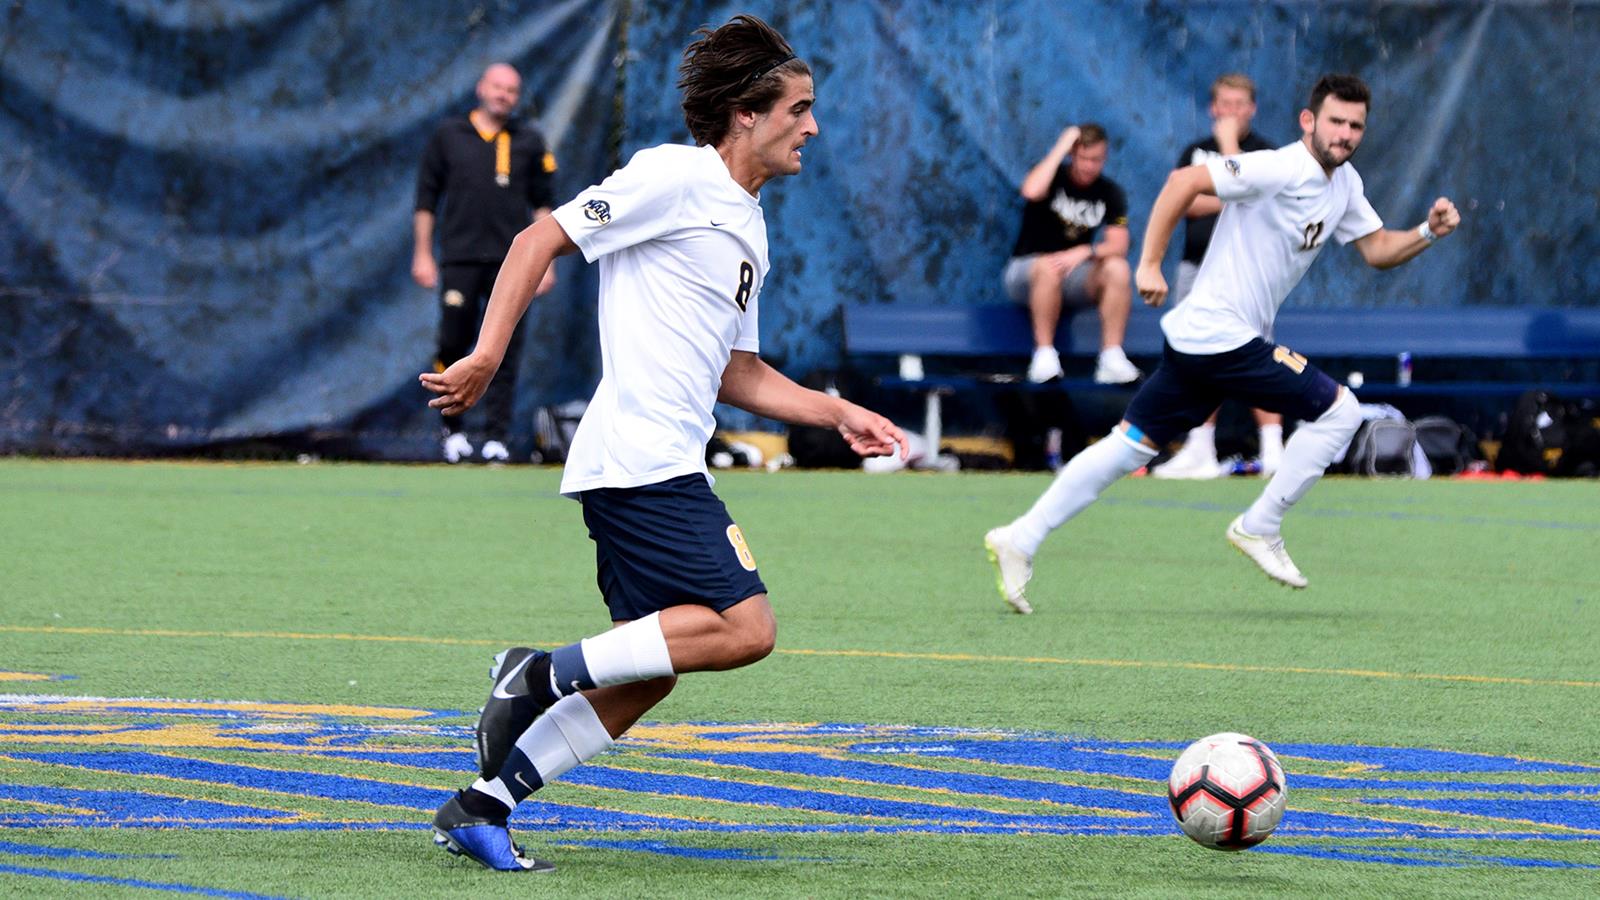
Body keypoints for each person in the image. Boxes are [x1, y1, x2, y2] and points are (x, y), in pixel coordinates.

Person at [419, 15, 907, 871]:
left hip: (656, 457)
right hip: (643, 458)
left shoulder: (749, 223)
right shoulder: (674, 176)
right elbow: (540, 238)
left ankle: (482, 806)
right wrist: (488, 354)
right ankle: (533, 676)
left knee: (651, 668)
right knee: (746, 628)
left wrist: (836, 412)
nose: (814, 127)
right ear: (745, 114)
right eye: (799, 108)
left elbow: (739, 373)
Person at [983, 74, 1460, 614]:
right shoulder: (1281, 166)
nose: (1346, 133)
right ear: (1308, 120)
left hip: (1204, 341)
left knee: (1128, 447)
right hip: (1220, 335)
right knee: (1341, 411)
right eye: (1335, 120)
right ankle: (1261, 525)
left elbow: (1376, 249)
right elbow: (1183, 183)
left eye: (1356, 125)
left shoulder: (1344, 184)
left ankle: (1019, 538)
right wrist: (1149, 264)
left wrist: (1426, 232)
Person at [413, 62, 558, 464]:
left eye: (511, 90)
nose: (503, 95)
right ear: (481, 88)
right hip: (459, 259)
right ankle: (452, 432)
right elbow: (426, 198)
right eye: (497, 87)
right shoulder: (448, 136)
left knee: (505, 348)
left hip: (512, 265)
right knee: (452, 342)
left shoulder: (529, 140)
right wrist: (423, 253)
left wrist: (546, 263)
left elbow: (544, 206)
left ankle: (496, 436)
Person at [1152, 73, 1285, 480]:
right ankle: (1199, 449)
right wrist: (1227, 196)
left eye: (1239, 104)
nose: (1231, 112)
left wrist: (1225, 182)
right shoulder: (1195, 152)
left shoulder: (1266, 153)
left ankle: (1274, 451)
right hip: (1197, 267)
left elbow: (1253, 199)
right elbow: (1184, 203)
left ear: (1252, 108)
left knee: (1256, 353)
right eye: (1224, 104)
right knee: (1195, 355)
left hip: (1248, 271)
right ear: (1212, 108)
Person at [1002, 124, 1141, 384]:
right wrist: (1061, 147)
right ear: (1073, 155)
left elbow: (1119, 244)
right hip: (1025, 272)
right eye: (1084, 158)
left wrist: (1085, 251)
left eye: (1097, 159)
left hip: (1073, 276)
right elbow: (1031, 191)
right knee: (1048, 265)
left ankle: (1111, 356)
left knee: (1117, 268)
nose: (1089, 166)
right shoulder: (1052, 176)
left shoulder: (1110, 192)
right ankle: (1043, 356)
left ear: (1105, 158)